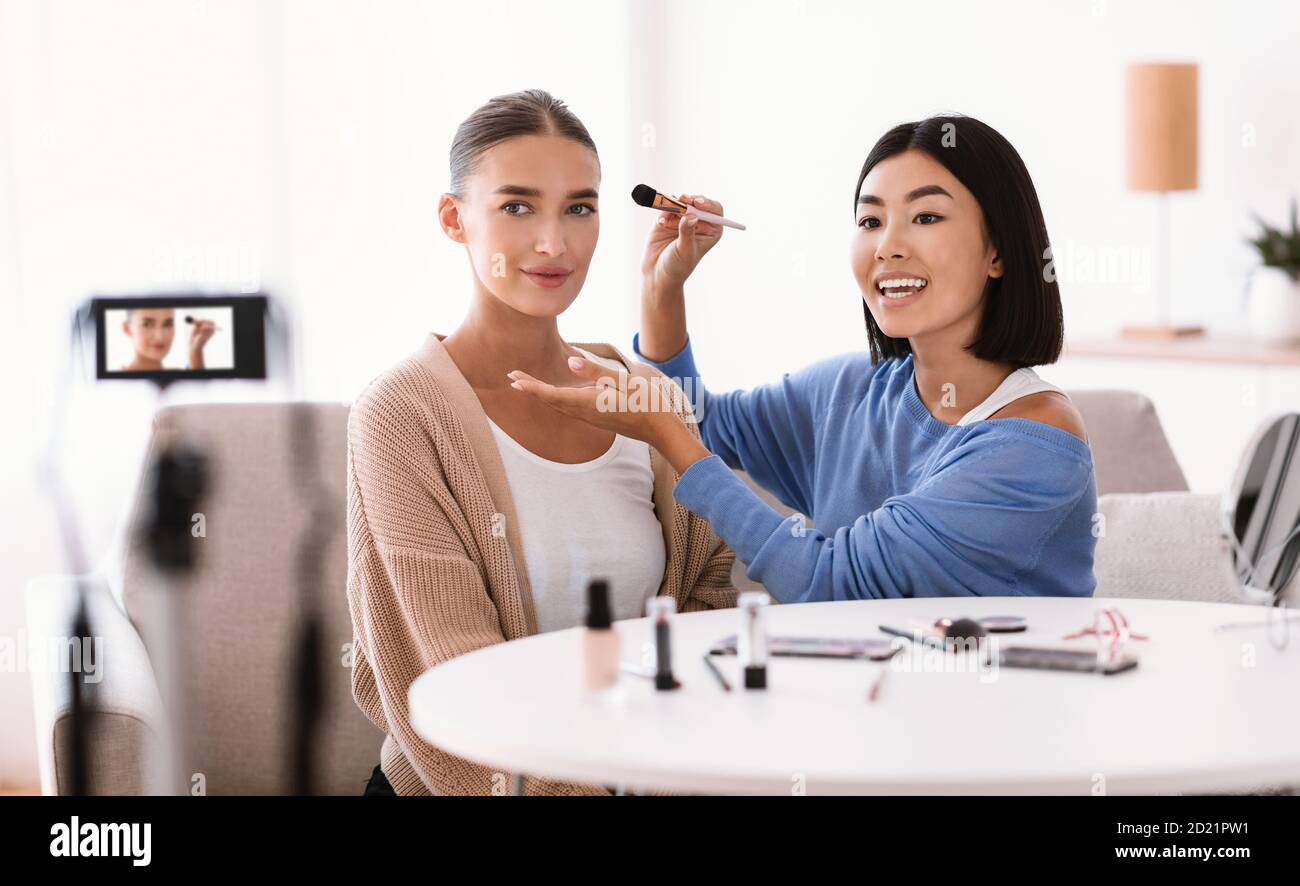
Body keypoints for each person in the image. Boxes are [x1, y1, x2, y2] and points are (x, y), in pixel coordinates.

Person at [510, 114, 1098, 603]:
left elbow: (830, 585)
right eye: (870, 220)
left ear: (998, 251)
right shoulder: (851, 389)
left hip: (995, 731)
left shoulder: (1033, 443)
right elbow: (701, 424)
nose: (888, 245)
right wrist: (663, 288)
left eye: (926, 217)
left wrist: (667, 434)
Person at [345, 90, 736, 797]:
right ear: (453, 218)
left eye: (579, 208)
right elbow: (442, 677)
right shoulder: (400, 415)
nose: (554, 244)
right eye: (517, 206)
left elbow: (711, 601)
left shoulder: (645, 400)